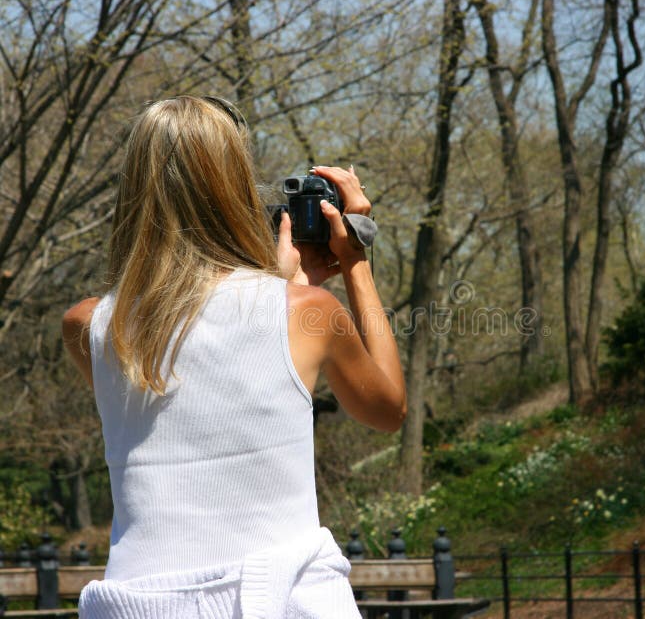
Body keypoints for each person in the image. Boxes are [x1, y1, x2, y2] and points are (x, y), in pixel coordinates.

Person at [61, 96, 406, 619]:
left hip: (137, 603)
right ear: (235, 188)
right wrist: (355, 260)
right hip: (283, 598)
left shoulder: (86, 325)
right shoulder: (305, 311)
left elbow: (189, 387)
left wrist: (278, 289)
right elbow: (387, 409)